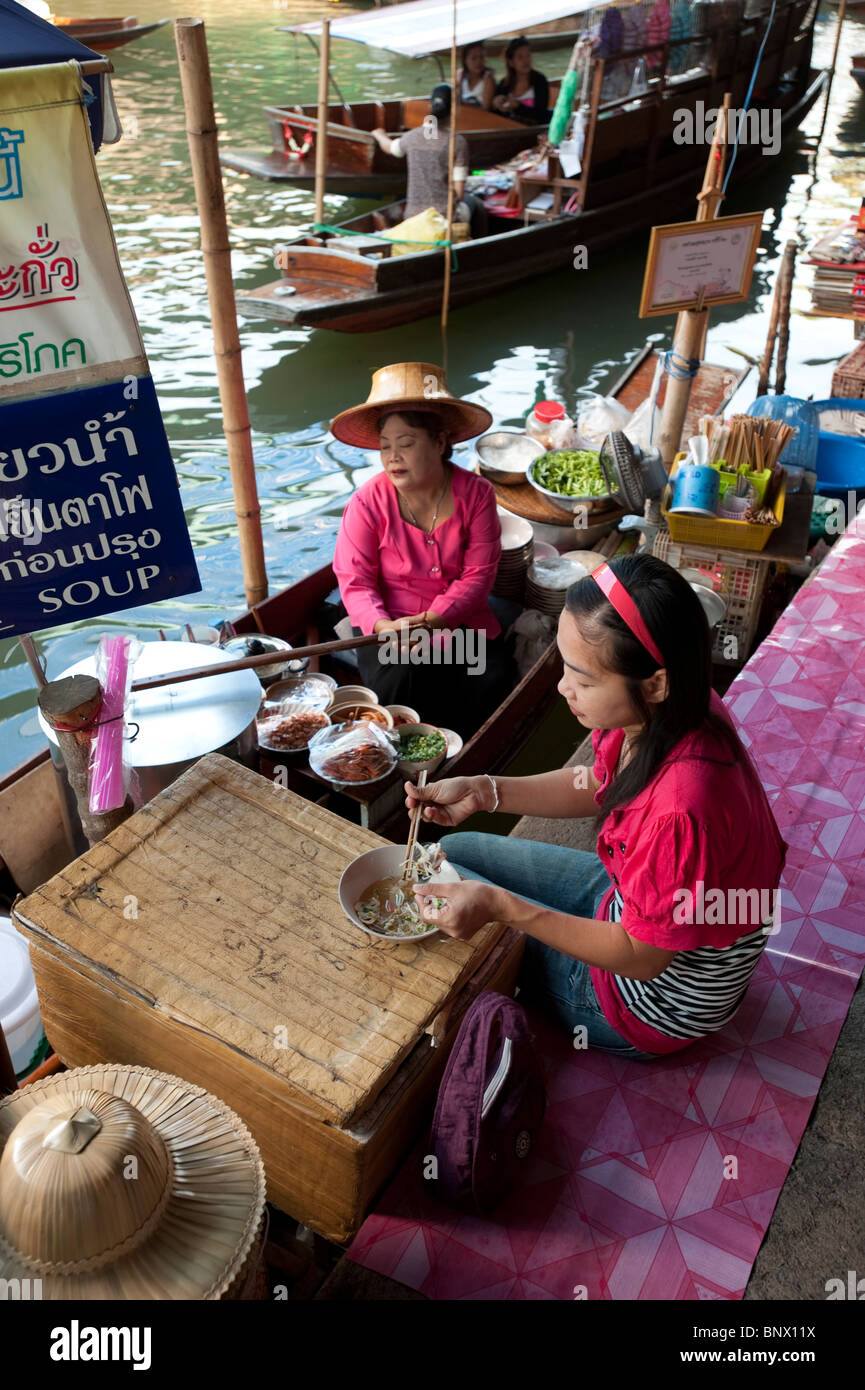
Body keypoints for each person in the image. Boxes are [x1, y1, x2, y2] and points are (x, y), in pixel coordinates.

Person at [405, 554, 787, 1061]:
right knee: (449, 854)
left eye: (583, 680)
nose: (564, 688)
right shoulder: (673, 710)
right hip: (633, 901)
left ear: (654, 682)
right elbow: (600, 783)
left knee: (463, 925)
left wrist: (503, 908)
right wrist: (484, 790)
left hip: (653, 999)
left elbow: (640, 957)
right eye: (565, 665)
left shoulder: (681, 810)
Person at [331, 363, 515, 738]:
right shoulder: (367, 502)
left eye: (407, 443)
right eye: (385, 446)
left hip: (457, 622)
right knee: (399, 682)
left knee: (493, 677)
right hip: (389, 626)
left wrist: (433, 621)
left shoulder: (476, 494)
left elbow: (479, 576)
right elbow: (355, 582)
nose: (392, 457)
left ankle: (457, 757)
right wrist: (385, 628)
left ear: (441, 442)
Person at [371, 84, 479, 229]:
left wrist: (379, 135)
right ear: (455, 109)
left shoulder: (412, 136)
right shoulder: (457, 142)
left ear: (430, 107)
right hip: (443, 218)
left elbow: (389, 147)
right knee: (474, 203)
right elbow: (458, 194)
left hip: (413, 216)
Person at [492, 37, 550, 124]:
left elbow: (541, 114)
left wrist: (517, 107)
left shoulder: (540, 80)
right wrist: (496, 104)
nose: (525, 61)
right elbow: (498, 115)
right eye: (520, 57)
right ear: (511, 62)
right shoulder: (504, 84)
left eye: (528, 56)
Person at [458, 41, 495, 110]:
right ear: (465, 60)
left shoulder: (488, 79)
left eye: (481, 57)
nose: (478, 62)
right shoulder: (461, 75)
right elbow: (457, 102)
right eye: (473, 58)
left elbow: (485, 108)